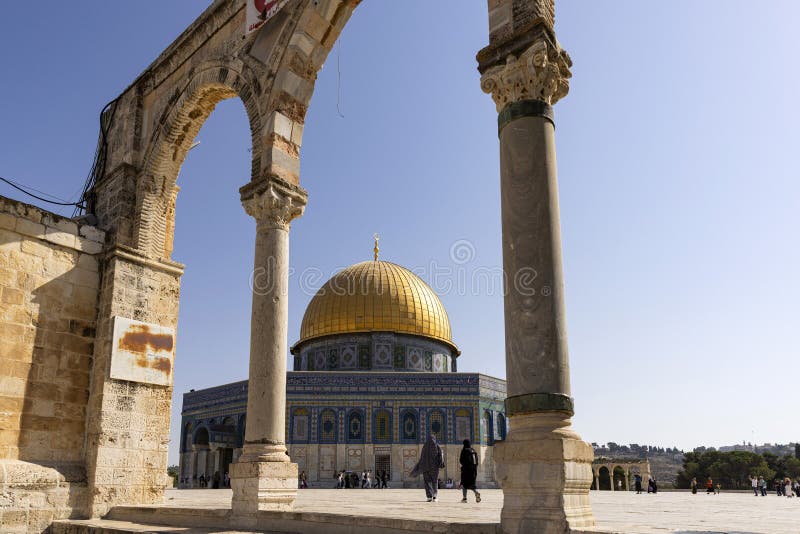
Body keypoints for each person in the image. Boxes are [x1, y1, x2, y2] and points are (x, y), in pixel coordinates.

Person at [411, 434, 444, 502]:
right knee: (434, 482)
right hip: (434, 468)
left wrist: (419, 467)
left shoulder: (424, 447)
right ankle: (434, 496)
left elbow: (422, 458)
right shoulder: (437, 445)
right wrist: (440, 464)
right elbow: (441, 455)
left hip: (425, 467)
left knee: (427, 482)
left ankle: (429, 497)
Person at [459, 439, 481, 503]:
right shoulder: (473, 450)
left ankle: (464, 498)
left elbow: (461, 460)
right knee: (471, 484)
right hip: (474, 471)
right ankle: (476, 493)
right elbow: (476, 462)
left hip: (466, 470)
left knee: (464, 484)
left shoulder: (464, 450)